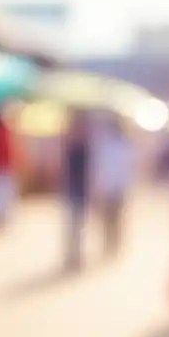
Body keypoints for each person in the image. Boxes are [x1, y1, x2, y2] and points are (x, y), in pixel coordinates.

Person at [91, 115, 135, 256]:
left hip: (117, 187)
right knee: (108, 218)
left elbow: (127, 169)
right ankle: (109, 243)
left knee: (116, 218)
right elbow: (101, 168)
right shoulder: (108, 144)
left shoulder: (123, 145)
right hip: (109, 186)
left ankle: (114, 244)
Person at [63, 113, 91, 271]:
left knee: (79, 225)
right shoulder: (72, 147)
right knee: (72, 225)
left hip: (82, 191)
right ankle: (72, 254)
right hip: (73, 190)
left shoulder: (87, 148)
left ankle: (77, 254)